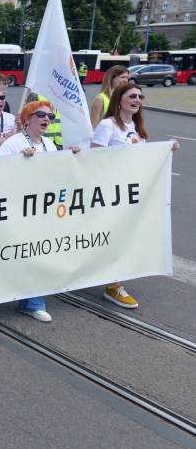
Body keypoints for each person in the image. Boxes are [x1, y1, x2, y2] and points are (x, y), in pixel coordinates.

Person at [91, 83, 180, 309]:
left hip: (130, 195)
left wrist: (166, 150)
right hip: (110, 194)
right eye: (132, 96)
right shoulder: (107, 125)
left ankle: (112, 281)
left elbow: (144, 161)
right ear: (119, 98)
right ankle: (112, 285)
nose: (137, 99)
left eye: (140, 96)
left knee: (124, 238)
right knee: (110, 238)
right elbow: (93, 160)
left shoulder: (137, 128)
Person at [0, 100, 81, 322]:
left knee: (36, 253)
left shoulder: (50, 145)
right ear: (27, 119)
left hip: (41, 210)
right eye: (41, 114)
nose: (46, 119)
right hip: (16, 209)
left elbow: (57, 175)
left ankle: (32, 302)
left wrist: (72, 157)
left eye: (50, 117)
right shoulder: (13, 143)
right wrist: (17, 161)